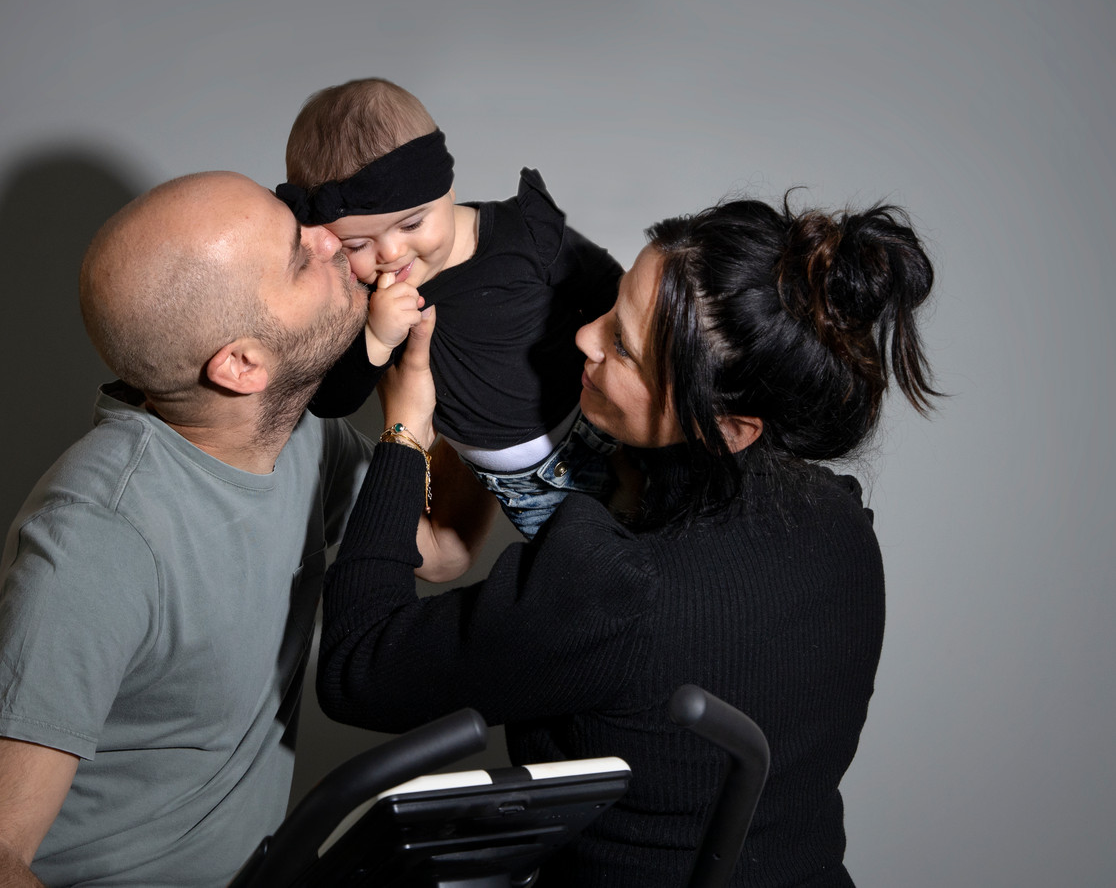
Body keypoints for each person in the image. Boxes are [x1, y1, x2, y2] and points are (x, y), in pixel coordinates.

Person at [318, 195, 940, 886]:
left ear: (729, 426)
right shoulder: (842, 521)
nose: (585, 335)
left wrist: (404, 430)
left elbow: (356, 669)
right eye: (611, 306)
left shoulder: (613, 585)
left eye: (622, 347)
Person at [0, 171, 488, 888]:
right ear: (243, 364)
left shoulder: (302, 439)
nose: (330, 236)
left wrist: (479, 377)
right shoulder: (98, 541)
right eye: (297, 255)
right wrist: (407, 423)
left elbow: (438, 550)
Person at [276, 77, 625, 538]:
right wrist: (377, 339)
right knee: (599, 563)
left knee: (672, 515)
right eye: (359, 243)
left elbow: (611, 289)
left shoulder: (524, 234)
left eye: (412, 224)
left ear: (448, 189)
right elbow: (328, 400)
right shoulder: (369, 301)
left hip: (601, 419)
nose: (391, 252)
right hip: (525, 489)